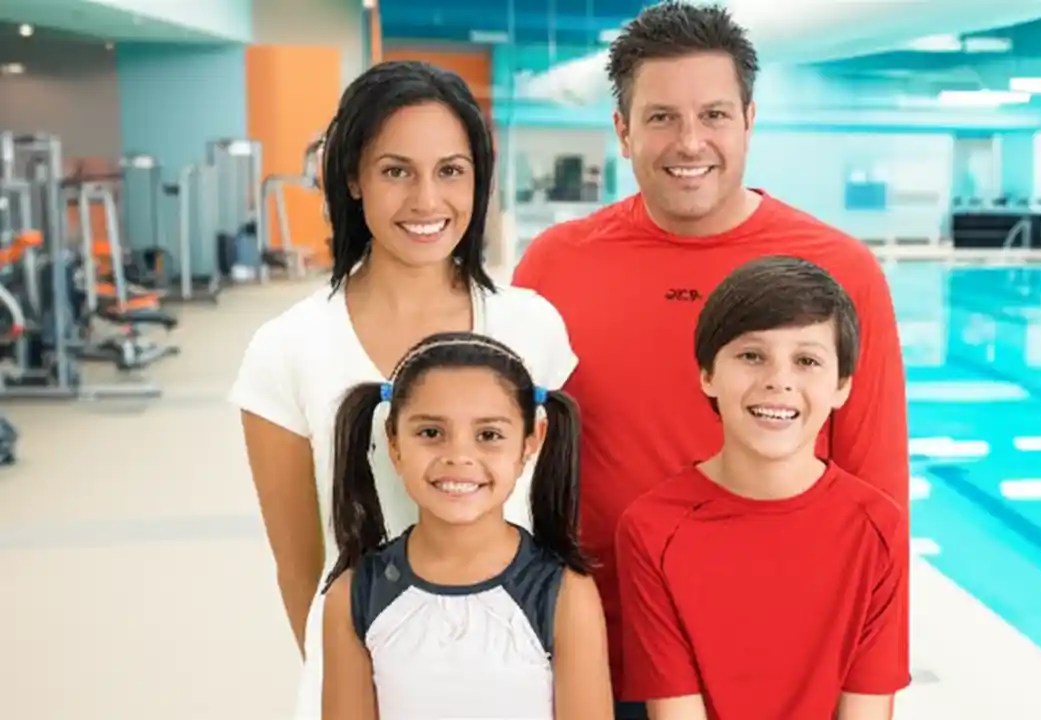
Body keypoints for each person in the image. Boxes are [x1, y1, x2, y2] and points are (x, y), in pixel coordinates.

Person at [511, 3, 910, 713]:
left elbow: (877, 496)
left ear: (749, 120)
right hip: (596, 654)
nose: (690, 141)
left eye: (714, 115)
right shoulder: (554, 267)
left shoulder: (840, 270)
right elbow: (515, 458)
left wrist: (864, 686)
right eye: (661, 117)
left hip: (784, 662)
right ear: (622, 130)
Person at [229, 60, 577, 719]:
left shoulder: (532, 328)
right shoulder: (287, 348)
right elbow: (302, 570)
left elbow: (555, 527)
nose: (426, 201)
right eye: (396, 171)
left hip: (519, 682)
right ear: (353, 178)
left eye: (450, 170)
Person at [615, 257, 909, 720]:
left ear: (842, 386)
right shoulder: (653, 528)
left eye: (807, 361)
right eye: (752, 356)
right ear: (708, 374)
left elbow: (866, 709)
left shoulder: (877, 528)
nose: (778, 381)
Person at [320, 331, 612, 719]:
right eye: (431, 433)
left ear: (530, 441)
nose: (458, 456)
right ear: (393, 441)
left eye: (489, 435)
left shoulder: (564, 593)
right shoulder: (354, 595)